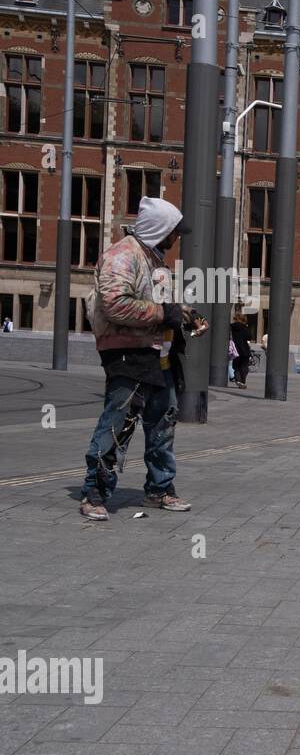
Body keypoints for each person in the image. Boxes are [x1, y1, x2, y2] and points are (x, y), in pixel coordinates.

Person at [78, 197, 198, 521]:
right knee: (119, 423)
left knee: (162, 423)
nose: (177, 238)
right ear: (160, 230)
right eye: (174, 231)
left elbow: (156, 305)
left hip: (157, 354)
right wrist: (166, 312)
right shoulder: (123, 255)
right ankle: (95, 492)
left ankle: (159, 489)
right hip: (128, 354)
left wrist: (181, 315)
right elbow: (116, 303)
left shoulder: (154, 258)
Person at [230, 311, 252, 389]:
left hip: (235, 350)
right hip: (245, 350)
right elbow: (249, 337)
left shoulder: (231, 326)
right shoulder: (245, 327)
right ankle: (242, 382)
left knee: (236, 366)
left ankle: (238, 380)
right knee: (244, 367)